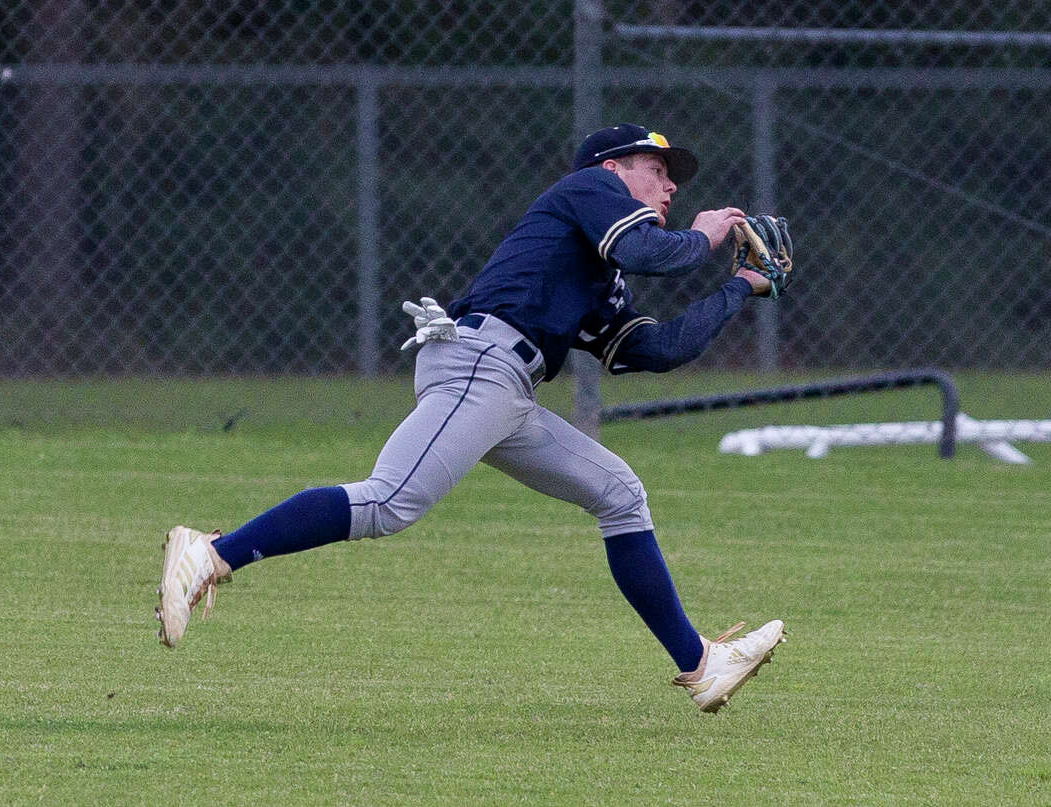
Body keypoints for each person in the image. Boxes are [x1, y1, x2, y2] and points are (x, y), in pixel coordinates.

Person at [156, 123, 786, 713]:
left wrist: (742, 287)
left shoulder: (597, 266)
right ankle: (212, 555)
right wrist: (706, 234)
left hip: (508, 388)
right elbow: (658, 252)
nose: (672, 184)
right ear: (613, 168)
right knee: (388, 503)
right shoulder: (588, 188)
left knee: (620, 493)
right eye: (658, 168)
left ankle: (702, 665)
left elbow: (654, 348)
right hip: (480, 363)